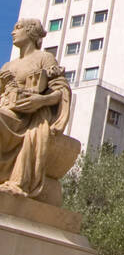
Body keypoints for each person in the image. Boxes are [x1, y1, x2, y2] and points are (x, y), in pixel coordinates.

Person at [0, 19, 71, 199]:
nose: (12, 32)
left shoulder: (44, 58)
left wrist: (42, 100)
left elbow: (60, 90)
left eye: (18, 28)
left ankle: (17, 180)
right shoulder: (7, 66)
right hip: (7, 108)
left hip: (27, 117)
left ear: (30, 33)